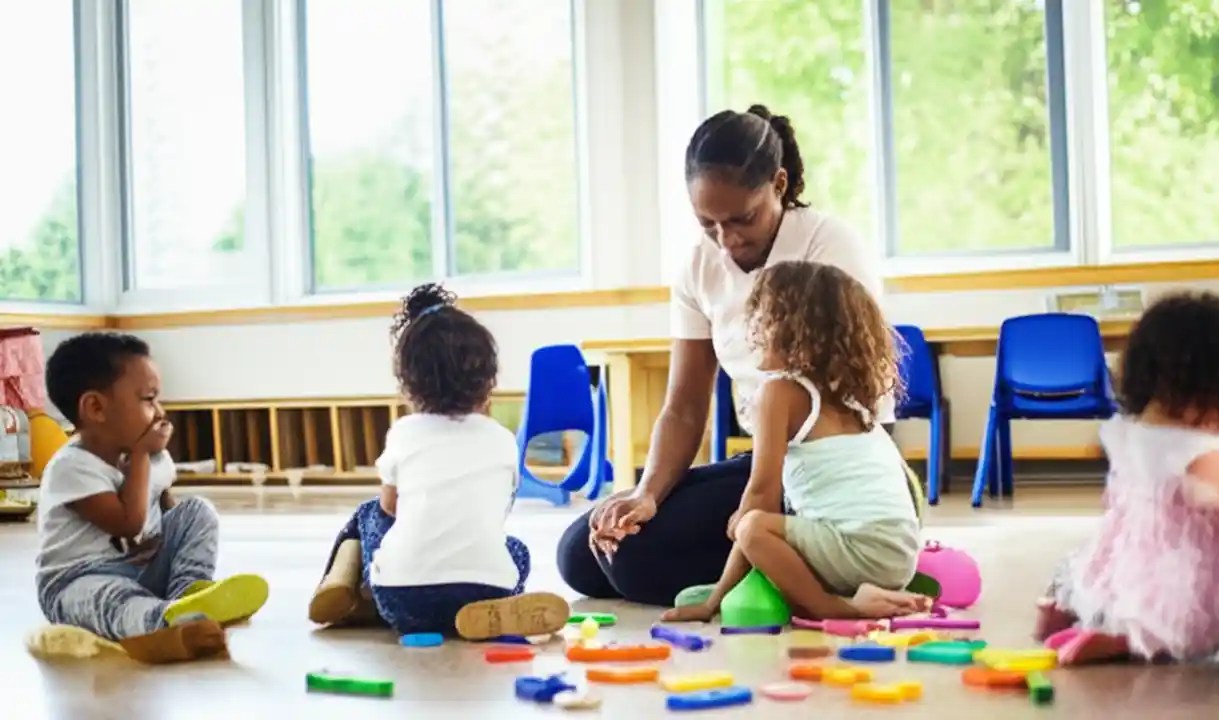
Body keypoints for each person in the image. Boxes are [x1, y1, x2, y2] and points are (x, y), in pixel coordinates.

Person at [556, 104, 890, 606]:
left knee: (635, 565)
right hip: (766, 460)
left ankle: (848, 556)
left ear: (779, 185)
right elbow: (685, 406)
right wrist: (646, 493)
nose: (727, 240)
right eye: (708, 223)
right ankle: (792, 564)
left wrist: (715, 597)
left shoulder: (827, 244)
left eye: (742, 219)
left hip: (834, 473)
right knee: (583, 553)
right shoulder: (699, 264)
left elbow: (855, 394)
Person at [661, 261, 927, 621]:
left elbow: (761, 500)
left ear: (794, 331)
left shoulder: (781, 392)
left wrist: (713, 603)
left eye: (762, 318)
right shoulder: (848, 398)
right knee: (761, 525)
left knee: (752, 526)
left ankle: (833, 608)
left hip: (861, 552)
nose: (752, 329)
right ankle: (852, 591)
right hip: (898, 557)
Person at [308, 283, 569, 639]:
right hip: (485, 586)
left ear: (407, 384)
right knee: (515, 550)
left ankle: (345, 582)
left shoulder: (404, 433)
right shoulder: (502, 440)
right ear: (489, 381)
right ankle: (493, 607)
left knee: (368, 514)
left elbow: (389, 507)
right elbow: (497, 511)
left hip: (405, 599)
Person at [1035, 291, 1219, 664]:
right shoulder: (1209, 454)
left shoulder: (1126, 433)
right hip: (1175, 587)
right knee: (1218, 616)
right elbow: (1214, 514)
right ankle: (1125, 640)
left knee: (1077, 570)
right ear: (1212, 390)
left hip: (1116, 570)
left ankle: (1073, 611)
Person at [36, 332, 268, 664]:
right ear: (96, 407)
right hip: (78, 581)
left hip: (143, 569)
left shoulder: (152, 459)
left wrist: (170, 540)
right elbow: (128, 524)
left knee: (197, 511)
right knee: (113, 599)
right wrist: (142, 455)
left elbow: (162, 503)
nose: (159, 412)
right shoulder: (72, 467)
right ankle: (165, 622)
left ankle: (187, 593)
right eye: (148, 399)